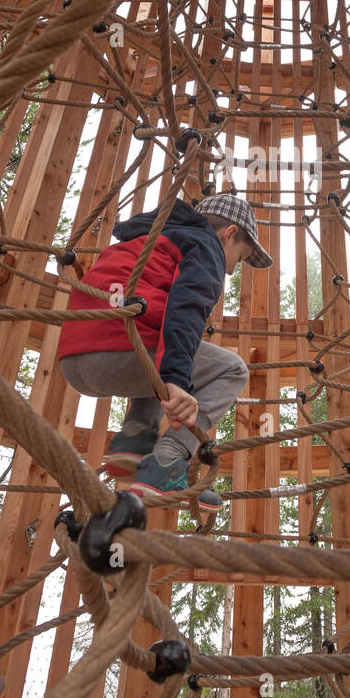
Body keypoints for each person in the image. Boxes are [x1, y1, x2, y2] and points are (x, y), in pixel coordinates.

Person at [57, 193, 272, 510]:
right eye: (238, 259)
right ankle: (167, 461)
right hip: (116, 351)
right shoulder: (205, 248)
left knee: (155, 337)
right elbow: (184, 313)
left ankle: (135, 437)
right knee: (232, 369)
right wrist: (176, 380)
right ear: (229, 234)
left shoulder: (148, 237)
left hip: (75, 360)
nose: (230, 272)